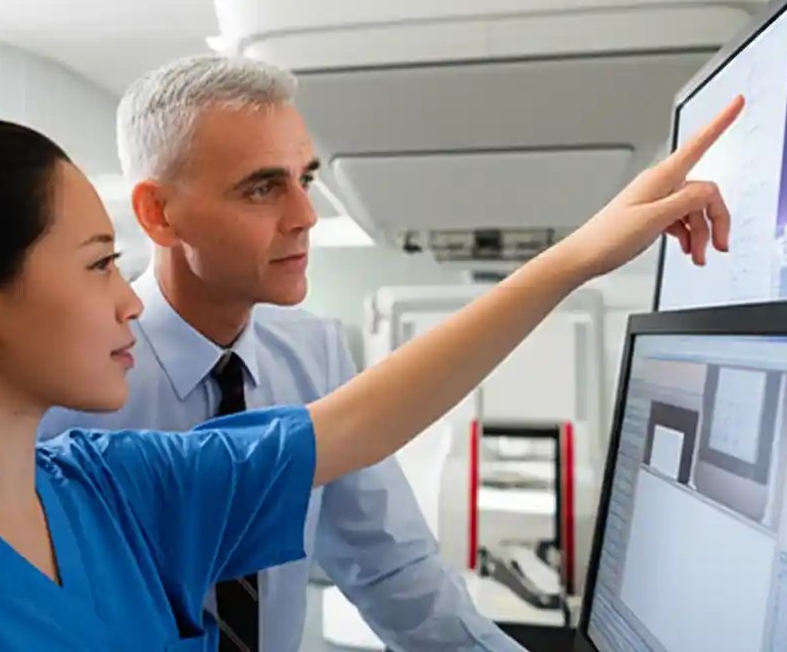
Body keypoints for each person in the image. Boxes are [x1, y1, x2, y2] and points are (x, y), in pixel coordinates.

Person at [0, 91, 742, 650]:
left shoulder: (112, 488)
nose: (126, 297)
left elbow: (363, 426)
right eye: (100, 263)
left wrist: (575, 257)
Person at [37, 55, 522, 651]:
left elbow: (394, 569)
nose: (305, 216)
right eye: (263, 187)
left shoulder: (313, 352)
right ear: (159, 214)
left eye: (305, 180)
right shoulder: (66, 385)